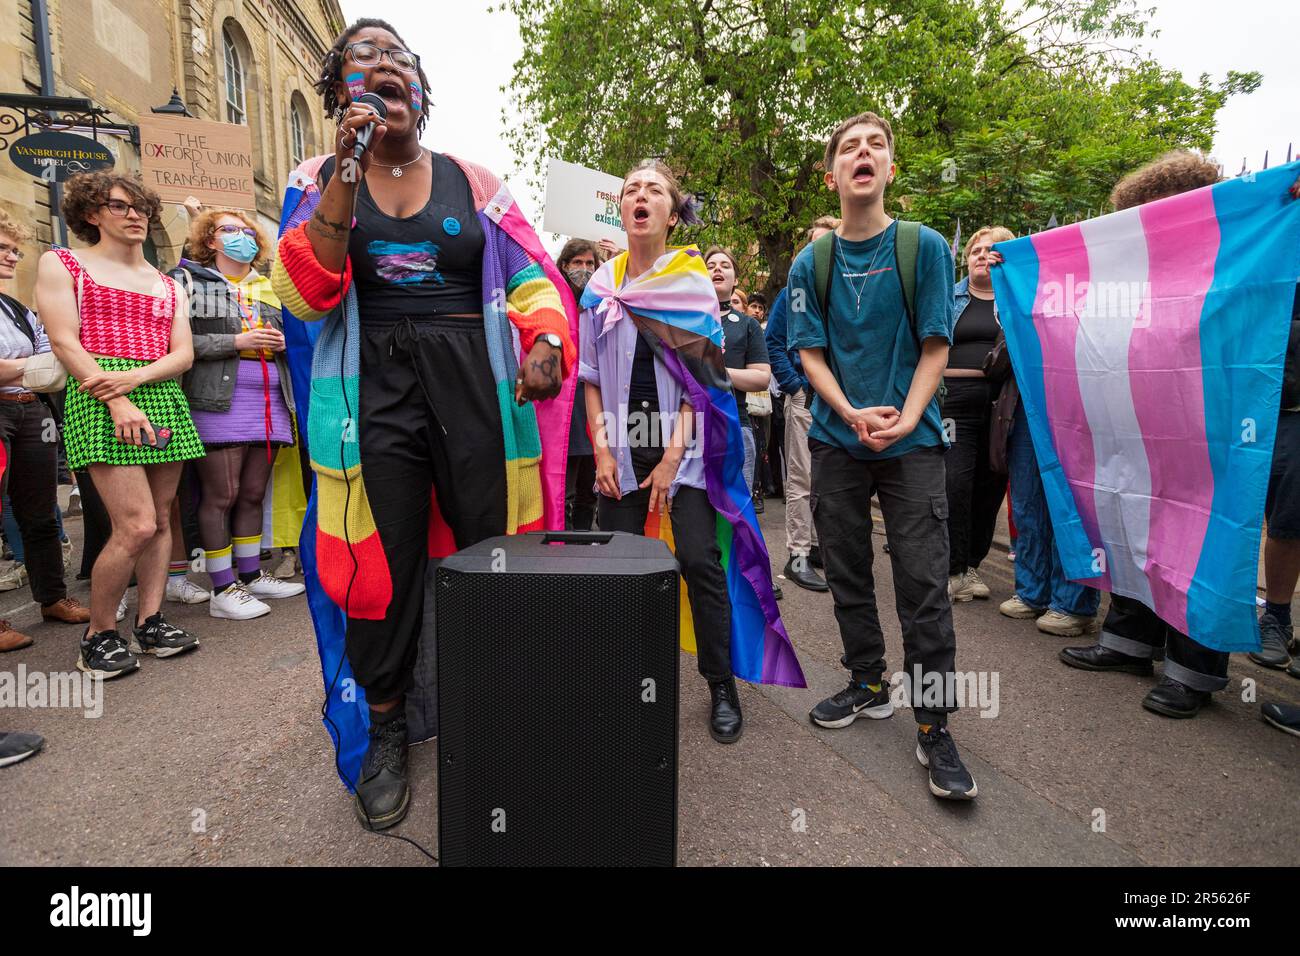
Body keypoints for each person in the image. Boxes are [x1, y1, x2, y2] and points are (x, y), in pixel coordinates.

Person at [273, 18, 575, 830]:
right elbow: (306, 292)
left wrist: (544, 338)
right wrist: (346, 164)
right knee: (381, 559)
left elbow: (532, 276)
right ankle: (386, 730)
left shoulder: (473, 181)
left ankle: (503, 710)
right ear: (340, 87)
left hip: (473, 381)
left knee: (492, 549)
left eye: (398, 58)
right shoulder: (316, 179)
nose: (384, 66)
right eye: (364, 57)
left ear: (420, 88)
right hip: (369, 391)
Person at [582, 159, 802, 745]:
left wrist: (670, 460)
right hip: (621, 448)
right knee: (620, 571)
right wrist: (603, 451)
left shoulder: (692, 286)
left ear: (673, 214)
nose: (641, 196)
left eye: (654, 189)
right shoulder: (599, 286)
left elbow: (703, 380)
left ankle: (720, 683)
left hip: (687, 446)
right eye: (631, 189)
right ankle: (623, 681)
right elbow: (590, 378)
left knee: (701, 563)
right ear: (622, 208)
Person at [789, 111, 975, 800]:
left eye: (875, 146)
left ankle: (934, 725)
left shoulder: (923, 247)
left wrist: (906, 419)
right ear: (832, 173)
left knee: (924, 586)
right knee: (847, 575)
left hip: (913, 445)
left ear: (889, 169)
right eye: (848, 148)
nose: (862, 154)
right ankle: (867, 682)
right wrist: (849, 413)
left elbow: (937, 346)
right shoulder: (812, 262)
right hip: (838, 442)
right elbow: (807, 352)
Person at [1052, 151, 1238, 717]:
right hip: (1132, 422)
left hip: (1204, 422)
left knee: (1193, 536)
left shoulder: (1225, 252)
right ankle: (1128, 641)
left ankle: (1195, 671)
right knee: (1128, 522)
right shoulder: (1129, 271)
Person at [35, 172, 204, 678]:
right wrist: (117, 397)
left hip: (159, 395)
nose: (135, 216)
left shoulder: (168, 282)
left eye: (141, 208)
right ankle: (99, 634)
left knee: (162, 515)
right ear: (91, 214)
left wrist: (136, 379)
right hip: (99, 395)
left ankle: (150, 623)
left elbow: (184, 354)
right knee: (135, 523)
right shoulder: (62, 262)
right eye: (119, 206)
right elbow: (65, 341)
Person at [176, 208, 306, 620]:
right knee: (222, 495)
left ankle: (250, 575)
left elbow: (296, 338)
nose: (241, 237)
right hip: (217, 402)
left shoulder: (270, 287)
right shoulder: (189, 282)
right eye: (229, 230)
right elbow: (181, 345)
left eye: (247, 231)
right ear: (209, 240)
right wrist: (237, 339)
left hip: (270, 401)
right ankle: (221, 586)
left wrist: (286, 343)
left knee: (252, 494)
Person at [0, 208, 91, 652]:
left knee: (39, 512)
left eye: (15, 249)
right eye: (3, 248)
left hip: (29, 410)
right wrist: (30, 367)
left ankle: (53, 598)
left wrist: (25, 369)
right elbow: (42, 362)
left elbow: (50, 359)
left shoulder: (15, 307)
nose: (12, 257)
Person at [766, 217, 838, 592]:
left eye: (828, 244)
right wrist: (795, 385)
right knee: (802, 478)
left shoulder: (850, 287)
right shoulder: (793, 292)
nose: (820, 252)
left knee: (837, 480)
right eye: (813, 245)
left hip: (845, 403)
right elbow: (773, 342)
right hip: (806, 399)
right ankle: (797, 556)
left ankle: (823, 549)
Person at [944, 227, 1012, 604]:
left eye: (991, 251)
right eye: (975, 250)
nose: (982, 256)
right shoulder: (948, 296)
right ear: (966, 258)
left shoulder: (1014, 298)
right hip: (953, 400)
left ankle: (971, 565)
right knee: (955, 482)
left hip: (1001, 405)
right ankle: (951, 569)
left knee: (990, 487)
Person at [557, 238, 601, 531]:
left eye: (590, 264)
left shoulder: (602, 303)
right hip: (565, 407)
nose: (583, 270)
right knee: (566, 487)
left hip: (597, 404)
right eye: (577, 263)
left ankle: (585, 540)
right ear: (564, 265)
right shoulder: (554, 299)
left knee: (591, 486)